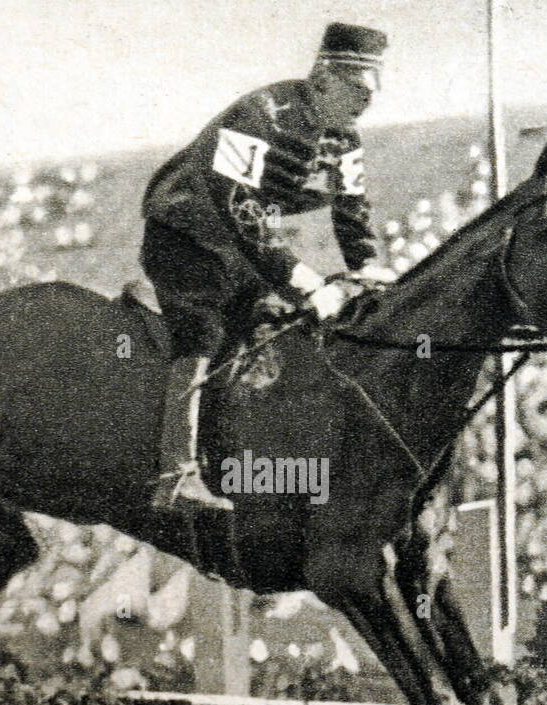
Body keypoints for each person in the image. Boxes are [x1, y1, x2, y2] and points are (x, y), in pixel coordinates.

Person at [139, 22, 395, 514]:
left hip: (243, 248)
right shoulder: (258, 115)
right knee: (203, 333)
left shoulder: (345, 138)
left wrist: (366, 267)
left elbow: (352, 208)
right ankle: (174, 476)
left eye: (374, 90)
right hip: (184, 234)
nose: (370, 100)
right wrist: (304, 280)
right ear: (324, 78)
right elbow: (240, 207)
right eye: (360, 90)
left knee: (275, 331)